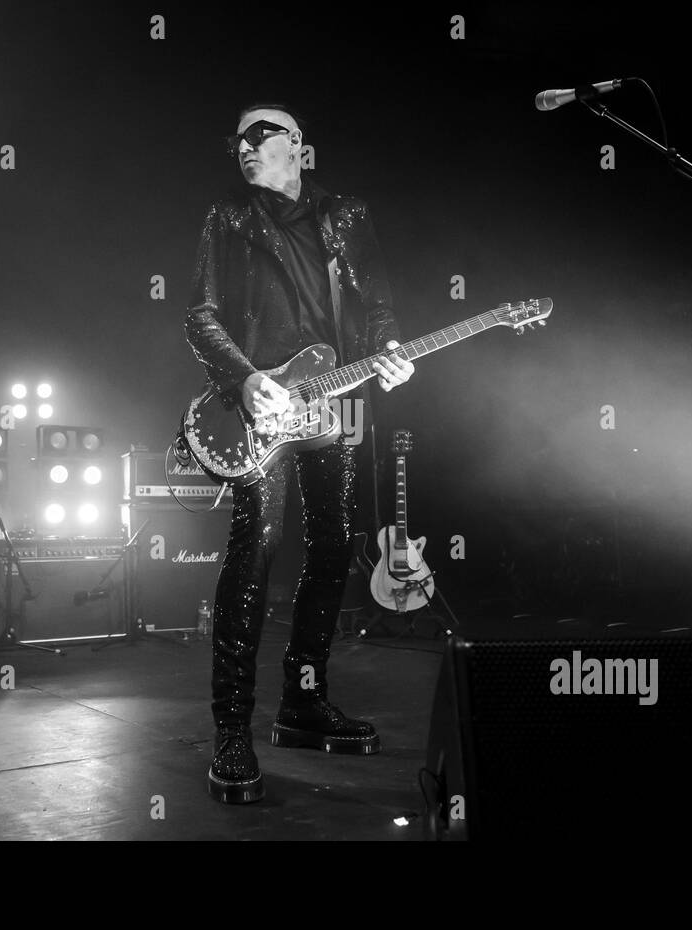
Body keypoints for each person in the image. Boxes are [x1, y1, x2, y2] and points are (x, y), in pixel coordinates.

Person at [183, 103, 414, 803]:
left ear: (297, 146)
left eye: (261, 134)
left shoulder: (345, 214)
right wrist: (247, 378)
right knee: (257, 546)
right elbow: (199, 313)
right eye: (238, 139)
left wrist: (391, 351)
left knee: (336, 545)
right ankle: (232, 731)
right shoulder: (227, 216)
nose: (245, 147)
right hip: (261, 406)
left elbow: (375, 302)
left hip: (333, 399)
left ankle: (303, 704)